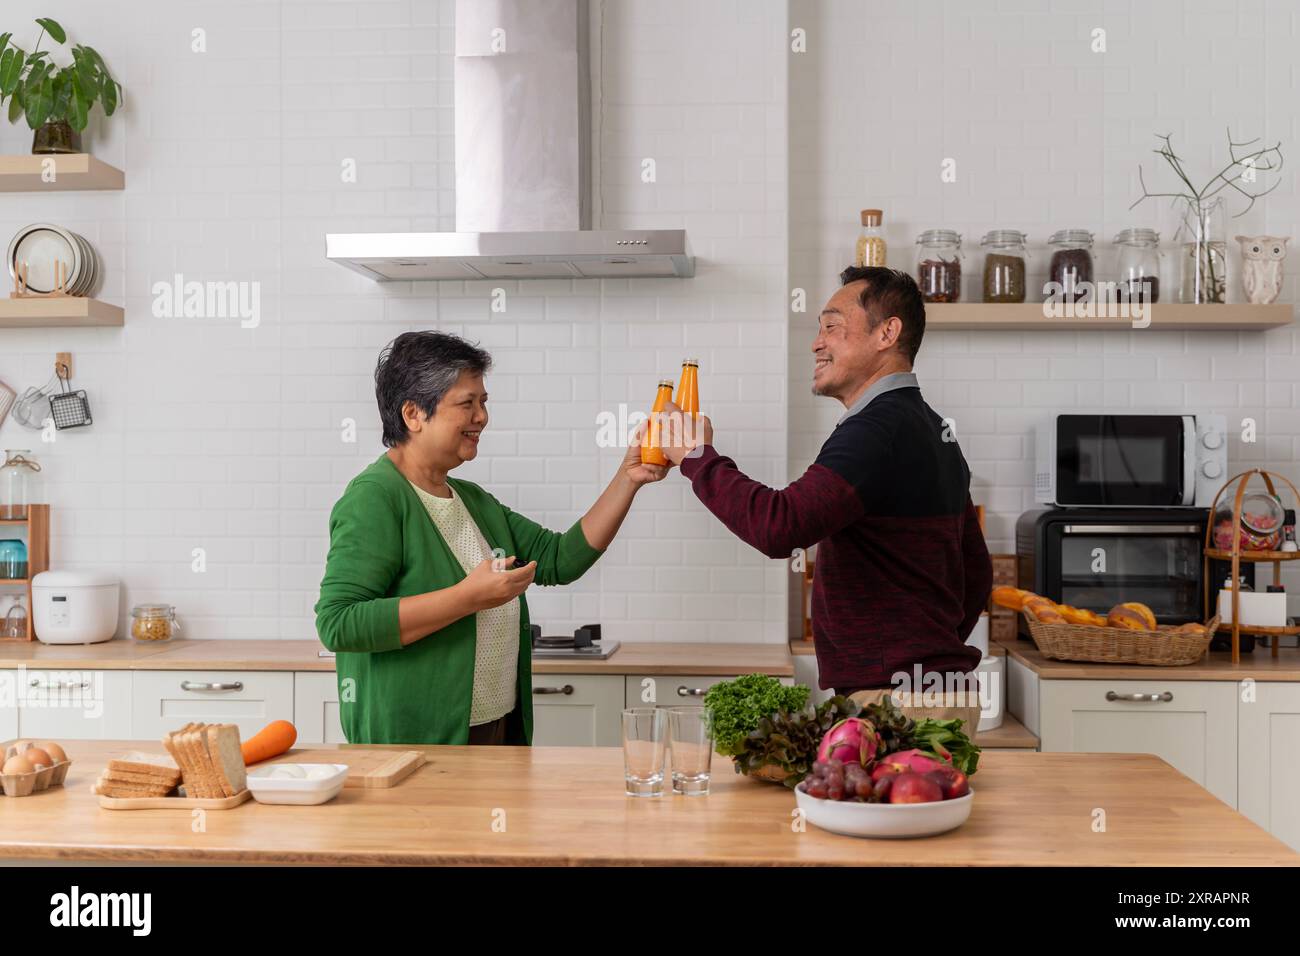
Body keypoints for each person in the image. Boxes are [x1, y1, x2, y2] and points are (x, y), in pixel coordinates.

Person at [315, 331, 668, 745]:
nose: (481, 416)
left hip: (494, 730)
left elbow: (560, 558)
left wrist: (628, 478)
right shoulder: (376, 497)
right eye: (467, 403)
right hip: (417, 744)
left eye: (483, 402)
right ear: (413, 414)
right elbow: (339, 623)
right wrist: (467, 597)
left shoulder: (471, 500)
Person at [660, 266, 992, 705]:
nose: (816, 343)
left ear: (887, 333)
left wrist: (696, 456)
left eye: (832, 327)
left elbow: (780, 526)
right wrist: (932, 653)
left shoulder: (877, 427)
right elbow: (977, 571)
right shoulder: (930, 426)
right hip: (927, 692)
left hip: (897, 701)